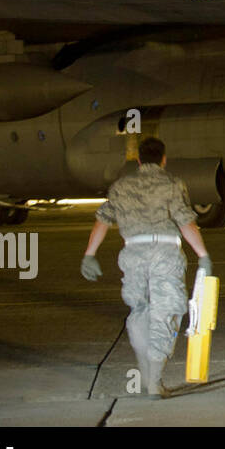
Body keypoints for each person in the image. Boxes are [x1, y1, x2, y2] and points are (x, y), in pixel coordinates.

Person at [80, 137, 211, 398]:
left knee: (140, 309)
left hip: (133, 253)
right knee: (168, 311)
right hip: (164, 253)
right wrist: (203, 255)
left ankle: (144, 353)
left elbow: (102, 220)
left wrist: (90, 254)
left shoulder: (121, 187)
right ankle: (155, 379)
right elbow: (186, 222)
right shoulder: (172, 184)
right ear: (163, 159)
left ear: (138, 160)